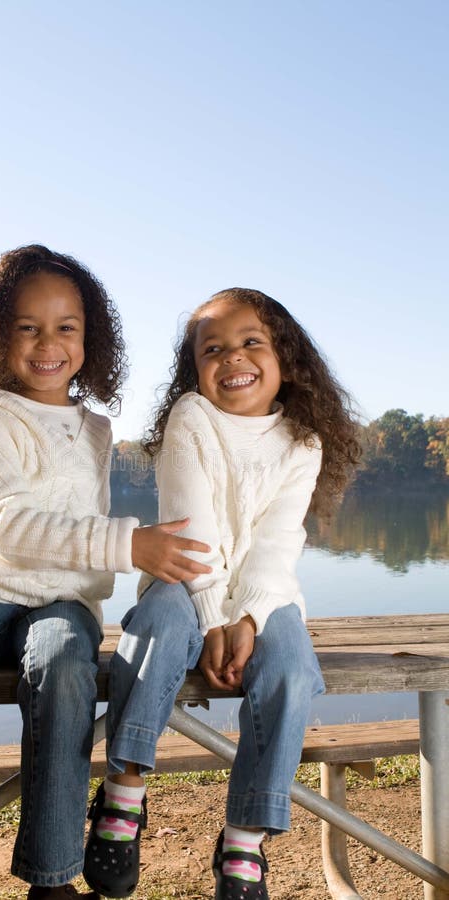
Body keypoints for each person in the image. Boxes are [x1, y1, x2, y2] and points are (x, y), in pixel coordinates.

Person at [0, 244, 212, 900]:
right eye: (27, 327)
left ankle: (53, 873)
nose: (48, 344)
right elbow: (10, 529)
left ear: (90, 338)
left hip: (62, 596)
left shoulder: (96, 428)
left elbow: (71, 541)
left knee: (65, 668)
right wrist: (131, 546)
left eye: (66, 328)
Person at [83, 288, 361, 900]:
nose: (233, 358)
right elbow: (193, 529)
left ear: (285, 356)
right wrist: (214, 621)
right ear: (196, 367)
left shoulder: (303, 442)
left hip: (267, 595)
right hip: (185, 578)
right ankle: (123, 797)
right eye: (214, 349)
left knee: (291, 670)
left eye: (251, 343)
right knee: (155, 627)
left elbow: (277, 541)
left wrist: (252, 620)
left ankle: (242, 843)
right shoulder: (193, 417)